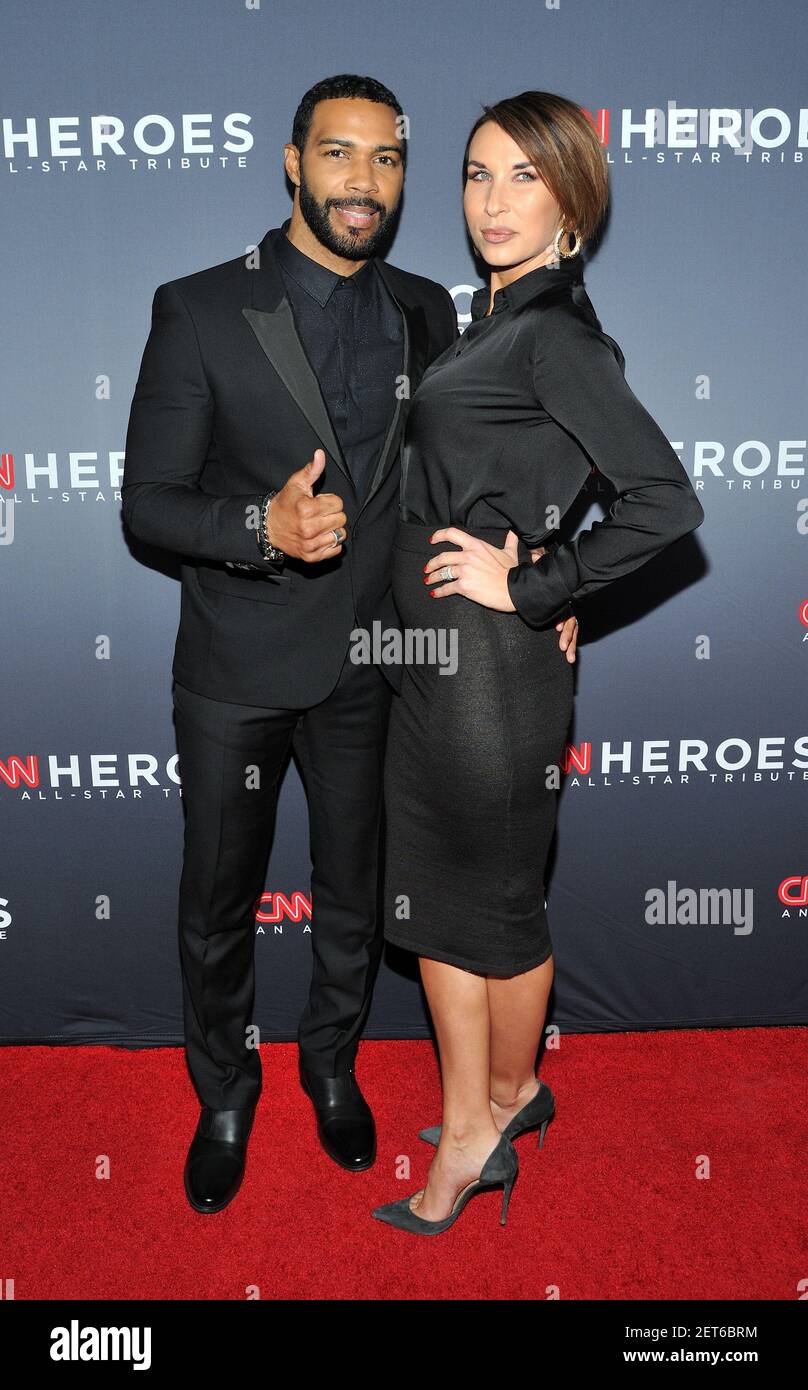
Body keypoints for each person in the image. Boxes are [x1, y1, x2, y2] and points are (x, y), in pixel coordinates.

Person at [121, 72, 581, 1214]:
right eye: (337, 155)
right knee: (218, 898)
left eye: (385, 160)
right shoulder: (199, 307)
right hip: (236, 664)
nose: (361, 182)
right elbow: (148, 504)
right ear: (292, 164)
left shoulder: (433, 309)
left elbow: (501, 455)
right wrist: (256, 528)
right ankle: (225, 1088)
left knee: (354, 895)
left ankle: (332, 1064)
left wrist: (547, 573)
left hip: (383, 665)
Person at [372, 90, 704, 1235]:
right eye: (475, 174)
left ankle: (475, 1128)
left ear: (574, 196)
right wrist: (542, 563)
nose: (492, 199)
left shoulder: (552, 333)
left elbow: (664, 500)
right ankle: (507, 1095)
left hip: (486, 667)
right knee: (461, 899)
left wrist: (538, 585)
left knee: (480, 909)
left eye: (522, 175)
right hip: (441, 659)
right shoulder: (494, 319)